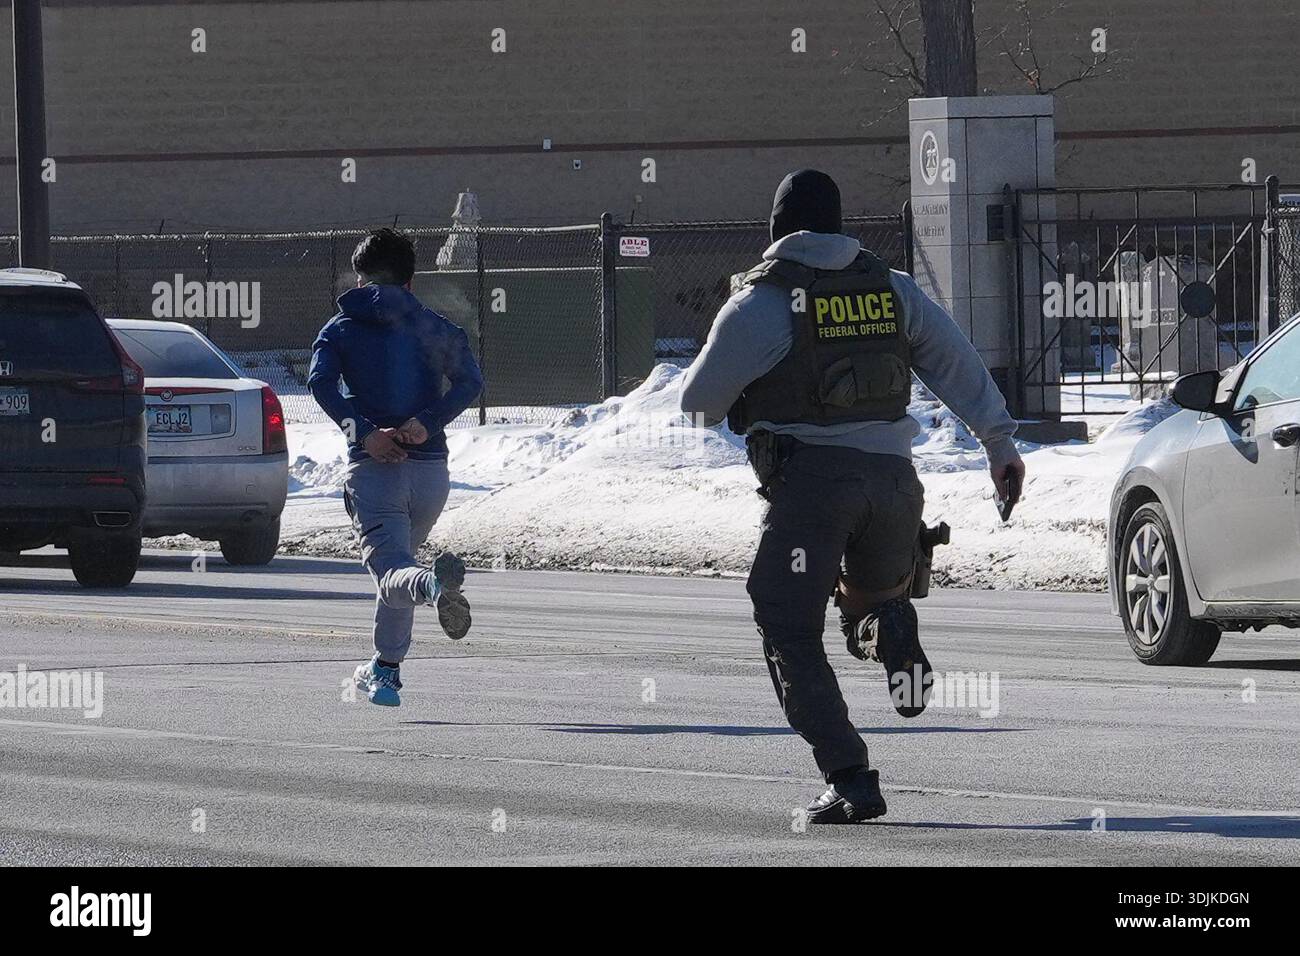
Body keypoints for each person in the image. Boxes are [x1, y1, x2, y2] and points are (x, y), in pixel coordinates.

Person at [680, 170, 1025, 823]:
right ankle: (887, 625)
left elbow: (698, 404)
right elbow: (957, 363)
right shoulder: (891, 288)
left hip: (813, 489)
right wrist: (999, 444)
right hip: (896, 486)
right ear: (839, 227)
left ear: (777, 232)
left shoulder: (764, 301)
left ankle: (850, 776)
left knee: (784, 619)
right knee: (865, 605)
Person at [309, 227, 484, 707]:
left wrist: (365, 432)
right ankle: (385, 672)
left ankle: (431, 586)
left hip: (375, 472)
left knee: (394, 572)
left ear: (361, 278)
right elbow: (470, 382)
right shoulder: (438, 326)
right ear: (411, 281)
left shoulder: (339, 328)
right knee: (398, 562)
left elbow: (321, 386)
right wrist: (426, 424)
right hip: (431, 475)